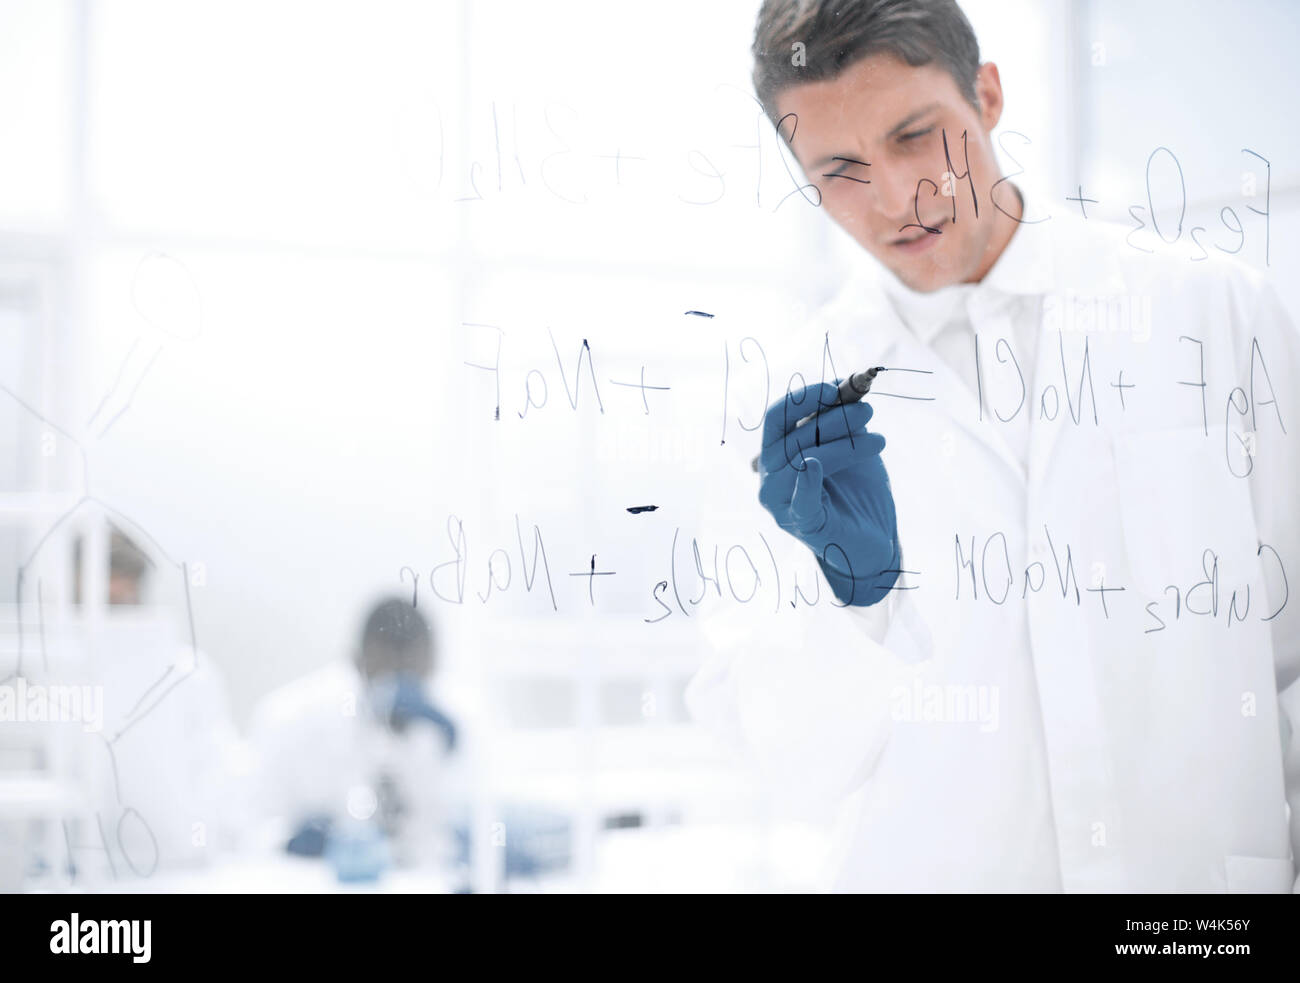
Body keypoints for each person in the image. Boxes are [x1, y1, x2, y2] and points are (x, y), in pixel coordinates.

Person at [687, 0, 1299, 892]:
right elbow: (788, 762)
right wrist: (859, 606)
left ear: (989, 94)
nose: (897, 197)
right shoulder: (777, 410)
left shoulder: (1214, 315)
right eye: (842, 169)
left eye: (915, 135)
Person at [249, 598, 461, 874]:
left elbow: (451, 833)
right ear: (357, 659)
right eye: (387, 670)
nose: (400, 686)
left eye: (412, 673)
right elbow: (249, 831)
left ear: (432, 665)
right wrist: (288, 842)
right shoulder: (291, 720)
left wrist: (456, 749)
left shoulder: (448, 722)